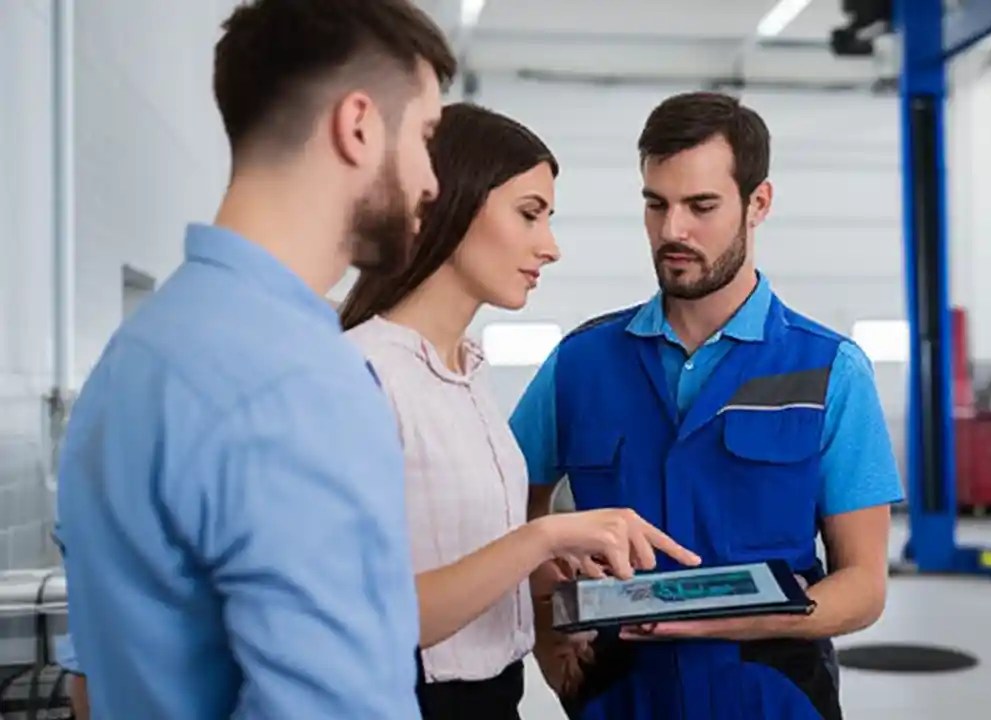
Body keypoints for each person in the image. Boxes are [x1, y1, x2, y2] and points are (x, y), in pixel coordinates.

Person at [55, 2, 455, 717]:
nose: (431, 179)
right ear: (357, 125)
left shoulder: (134, 357)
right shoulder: (298, 383)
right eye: (425, 136)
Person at [510, 91, 905, 720]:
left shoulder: (829, 370)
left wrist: (751, 621)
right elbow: (510, 509)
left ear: (759, 204)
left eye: (701, 206)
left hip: (773, 695)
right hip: (622, 696)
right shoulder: (582, 363)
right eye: (655, 204)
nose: (673, 231)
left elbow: (864, 585)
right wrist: (548, 637)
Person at [338, 102, 700, 720]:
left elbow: (457, 559)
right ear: (446, 200)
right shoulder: (362, 375)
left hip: (495, 697)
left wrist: (553, 580)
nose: (550, 247)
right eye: (530, 215)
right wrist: (542, 536)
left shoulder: (467, 375)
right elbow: (376, 616)